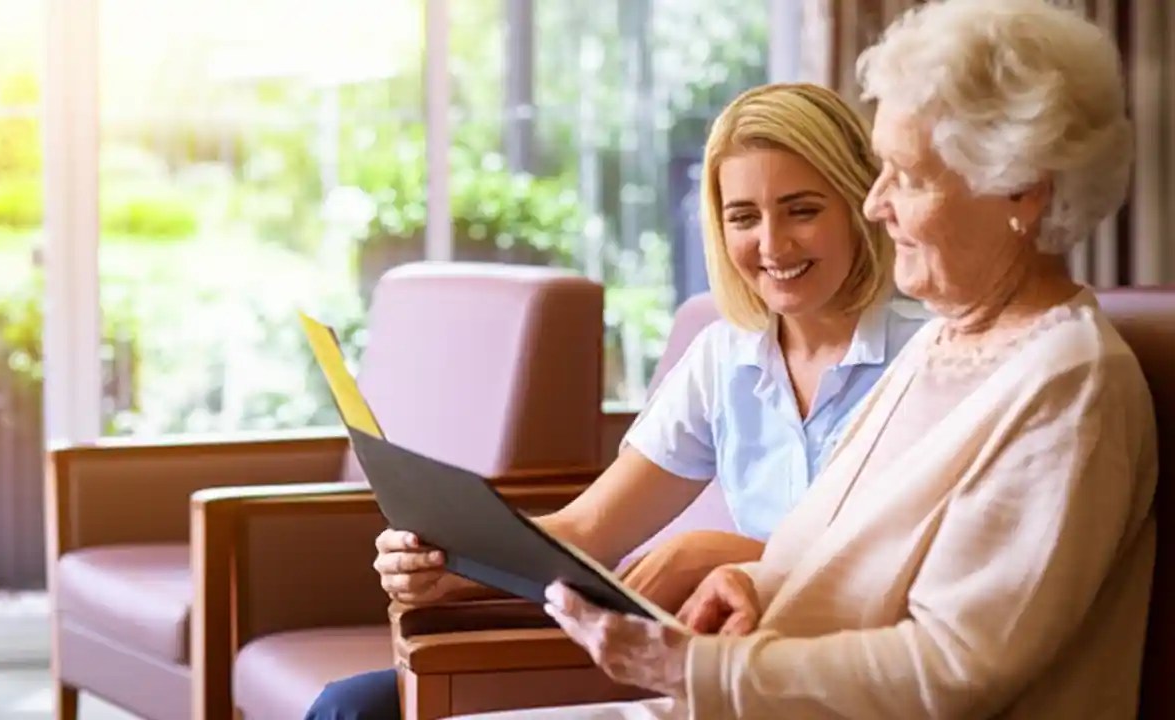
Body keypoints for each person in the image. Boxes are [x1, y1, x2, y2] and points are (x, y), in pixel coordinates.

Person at [458, 1, 1157, 718]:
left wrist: (694, 667)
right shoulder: (951, 341)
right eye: (880, 171)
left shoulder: (1070, 384)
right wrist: (755, 586)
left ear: (1023, 190)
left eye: (908, 178)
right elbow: (839, 554)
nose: (876, 205)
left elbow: (954, 667)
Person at [303, 82, 932, 719]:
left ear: (859, 205)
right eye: (744, 217)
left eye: (802, 210)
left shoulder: (933, 357)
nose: (772, 245)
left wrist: (733, 556)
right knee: (352, 708)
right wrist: (446, 566)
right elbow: (587, 531)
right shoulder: (725, 358)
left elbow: (920, 568)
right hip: (720, 660)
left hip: (843, 677)